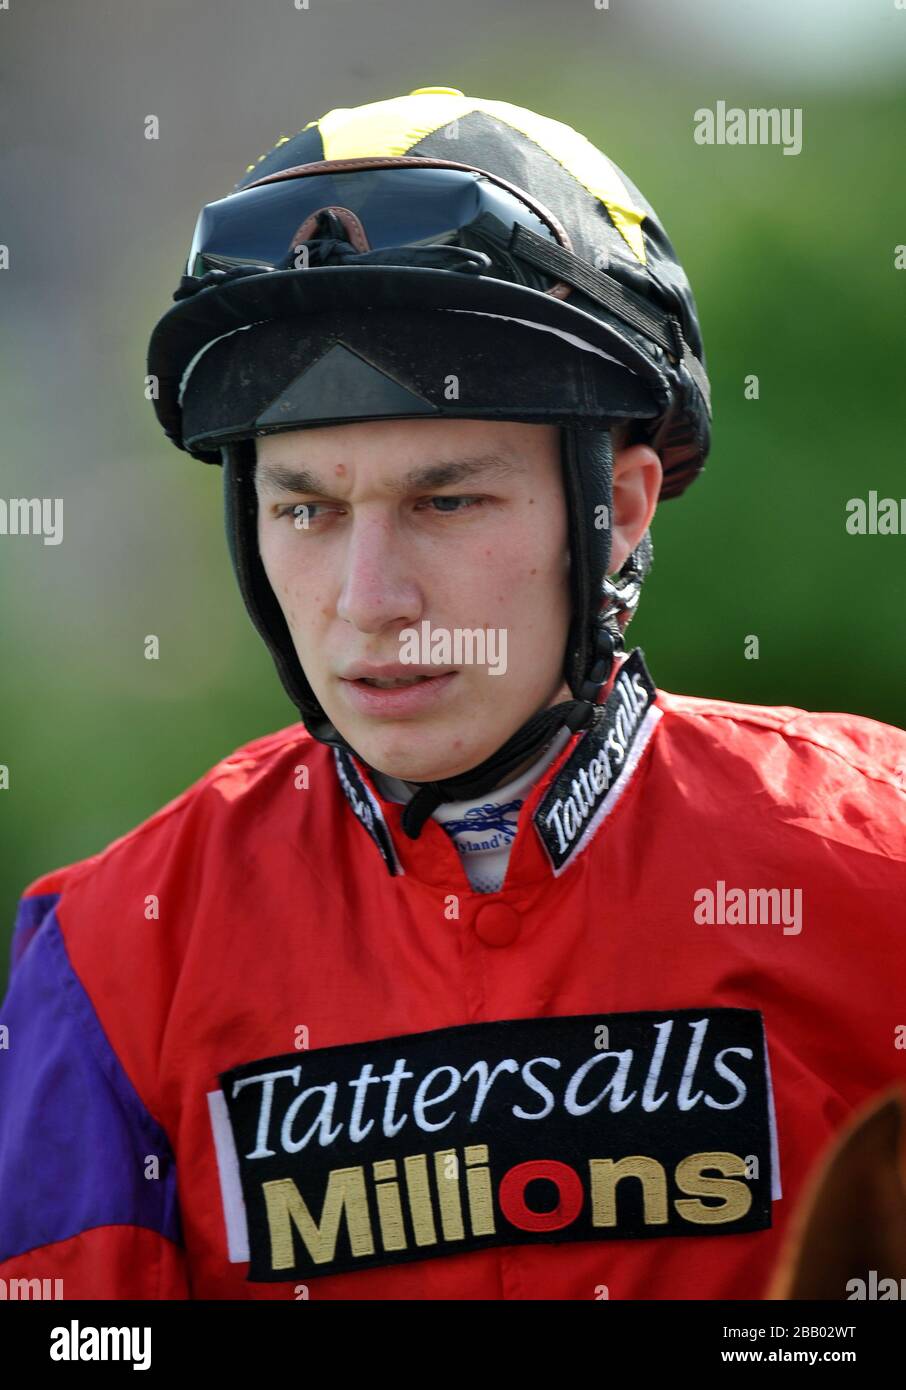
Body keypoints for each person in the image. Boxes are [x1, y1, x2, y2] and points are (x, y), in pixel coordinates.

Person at [0, 86, 903, 1302]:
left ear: (620, 509)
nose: (369, 599)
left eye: (446, 500)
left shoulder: (878, 868)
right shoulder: (115, 956)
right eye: (306, 509)